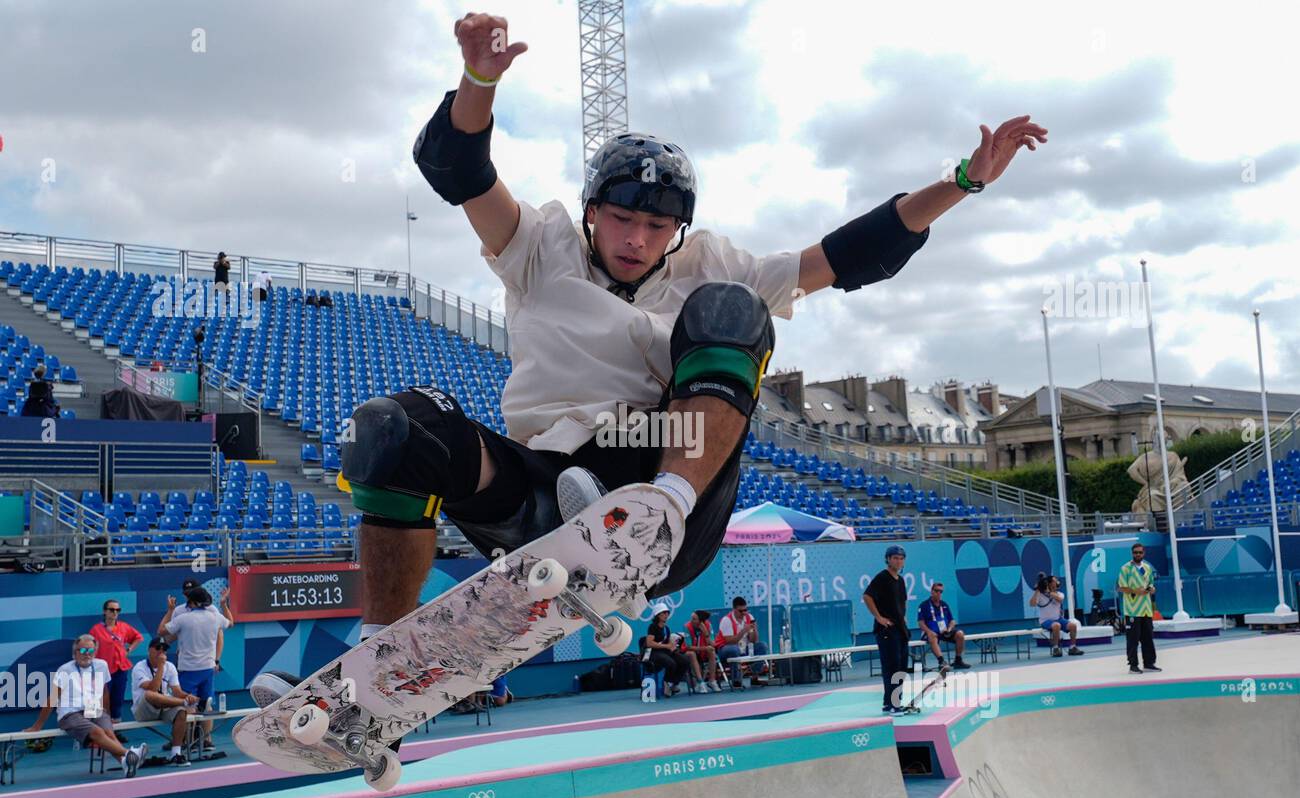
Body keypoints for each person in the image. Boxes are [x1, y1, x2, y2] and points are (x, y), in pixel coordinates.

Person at [252, 12, 1043, 727]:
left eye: (656, 226)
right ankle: (382, 655)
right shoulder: (538, 246)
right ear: (593, 211)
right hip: (538, 490)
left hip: (668, 486)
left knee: (731, 310)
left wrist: (964, 182)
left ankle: (645, 516)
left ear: (678, 229)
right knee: (395, 430)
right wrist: (480, 79)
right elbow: (455, 166)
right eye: (622, 219)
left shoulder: (711, 264)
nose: (636, 238)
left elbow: (846, 255)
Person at [25, 636, 148, 777]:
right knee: (98, 732)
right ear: (75, 652)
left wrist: (106, 712)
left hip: (93, 708)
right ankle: (130, 754)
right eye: (82, 650)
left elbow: (104, 691)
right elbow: (52, 698)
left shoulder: (102, 665)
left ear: (95, 652)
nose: (86, 653)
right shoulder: (65, 669)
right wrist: (37, 725)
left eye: (90, 650)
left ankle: (125, 762)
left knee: (108, 732)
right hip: (70, 712)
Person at [157, 586, 224, 750]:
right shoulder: (182, 612)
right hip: (191, 665)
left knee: (203, 703)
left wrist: (216, 660)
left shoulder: (209, 612)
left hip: (200, 666)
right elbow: (170, 636)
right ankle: (187, 740)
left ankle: (204, 740)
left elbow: (219, 635)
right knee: (191, 703)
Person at [131, 639, 199, 767]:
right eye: (157, 648)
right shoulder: (139, 667)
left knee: (181, 712)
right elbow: (153, 688)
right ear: (149, 650)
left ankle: (176, 753)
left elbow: (177, 691)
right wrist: (161, 666)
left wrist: (189, 697)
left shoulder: (171, 666)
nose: (161, 652)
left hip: (164, 707)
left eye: (164, 649)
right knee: (150, 694)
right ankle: (182, 703)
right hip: (144, 711)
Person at [864, 545, 913, 713]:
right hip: (887, 631)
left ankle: (889, 702)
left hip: (900, 629)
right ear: (888, 559)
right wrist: (879, 617)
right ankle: (894, 704)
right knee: (892, 667)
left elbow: (903, 602)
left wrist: (904, 620)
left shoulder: (900, 580)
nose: (898, 561)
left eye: (901, 558)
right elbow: (867, 596)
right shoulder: (882, 577)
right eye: (895, 558)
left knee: (901, 667)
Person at [90, 597, 144, 728]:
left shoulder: (123, 627)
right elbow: (91, 649)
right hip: (103, 671)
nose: (115, 612)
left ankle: (115, 731)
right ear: (105, 611)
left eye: (117, 610)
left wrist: (129, 649)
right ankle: (99, 730)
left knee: (118, 700)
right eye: (112, 610)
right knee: (101, 700)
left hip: (120, 669)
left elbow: (138, 637)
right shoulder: (96, 629)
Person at [1118, 543, 1161, 675]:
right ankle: (1133, 665)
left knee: (1148, 637)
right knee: (1133, 639)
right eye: (1135, 552)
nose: (1137, 554)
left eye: (1140, 552)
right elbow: (1121, 587)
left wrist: (1152, 589)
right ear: (1132, 553)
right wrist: (1135, 591)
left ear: (1144, 553)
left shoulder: (1147, 568)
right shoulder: (1125, 568)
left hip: (1146, 609)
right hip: (1132, 610)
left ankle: (1149, 663)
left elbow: (1151, 583)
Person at [640, 602, 697, 696]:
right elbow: (649, 643)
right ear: (658, 615)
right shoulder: (652, 627)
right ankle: (666, 683)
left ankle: (674, 684)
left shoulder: (666, 628)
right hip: (651, 653)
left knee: (685, 661)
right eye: (664, 613)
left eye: (667, 613)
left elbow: (668, 644)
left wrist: (673, 648)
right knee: (671, 663)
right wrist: (666, 646)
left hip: (663, 652)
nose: (666, 615)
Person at [916, 582, 970, 670]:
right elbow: (920, 623)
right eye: (936, 591)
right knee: (932, 636)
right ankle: (941, 662)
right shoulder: (924, 605)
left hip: (944, 631)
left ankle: (958, 660)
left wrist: (949, 629)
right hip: (931, 632)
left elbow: (952, 621)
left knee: (960, 634)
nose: (939, 593)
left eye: (941, 591)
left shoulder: (944, 605)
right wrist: (929, 631)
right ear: (932, 591)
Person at [715, 597, 769, 685]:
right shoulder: (726, 620)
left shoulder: (749, 617)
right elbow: (729, 641)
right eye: (741, 611)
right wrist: (743, 631)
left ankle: (755, 677)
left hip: (744, 648)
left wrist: (755, 630)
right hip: (725, 649)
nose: (744, 613)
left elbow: (753, 640)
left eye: (745, 610)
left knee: (761, 646)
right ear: (734, 610)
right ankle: (736, 679)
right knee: (734, 649)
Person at [1028, 573, 1083, 657]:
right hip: (1045, 621)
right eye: (1054, 581)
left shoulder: (1059, 594)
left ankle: (1072, 647)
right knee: (1056, 625)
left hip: (1058, 619)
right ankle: (1055, 648)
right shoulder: (1040, 595)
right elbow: (1032, 604)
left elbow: (1059, 599)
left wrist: (1048, 592)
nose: (1057, 582)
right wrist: (1037, 591)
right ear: (1049, 583)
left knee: (1073, 626)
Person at [683, 609, 722, 691]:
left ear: (700, 621)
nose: (691, 620)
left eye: (694, 619)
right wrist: (704, 648)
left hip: (703, 652)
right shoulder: (687, 626)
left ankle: (712, 680)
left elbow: (712, 644)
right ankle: (700, 682)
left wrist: (706, 634)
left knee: (712, 651)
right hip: (690, 652)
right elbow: (689, 646)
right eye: (691, 618)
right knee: (691, 654)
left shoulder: (708, 625)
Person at [213, 251, 233, 316]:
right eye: (222, 257)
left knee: (226, 292)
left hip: (225, 281)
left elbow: (229, 267)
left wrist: (223, 262)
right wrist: (219, 261)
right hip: (218, 281)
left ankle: (226, 303)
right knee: (217, 293)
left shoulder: (226, 262)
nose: (223, 258)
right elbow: (215, 267)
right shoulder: (216, 263)